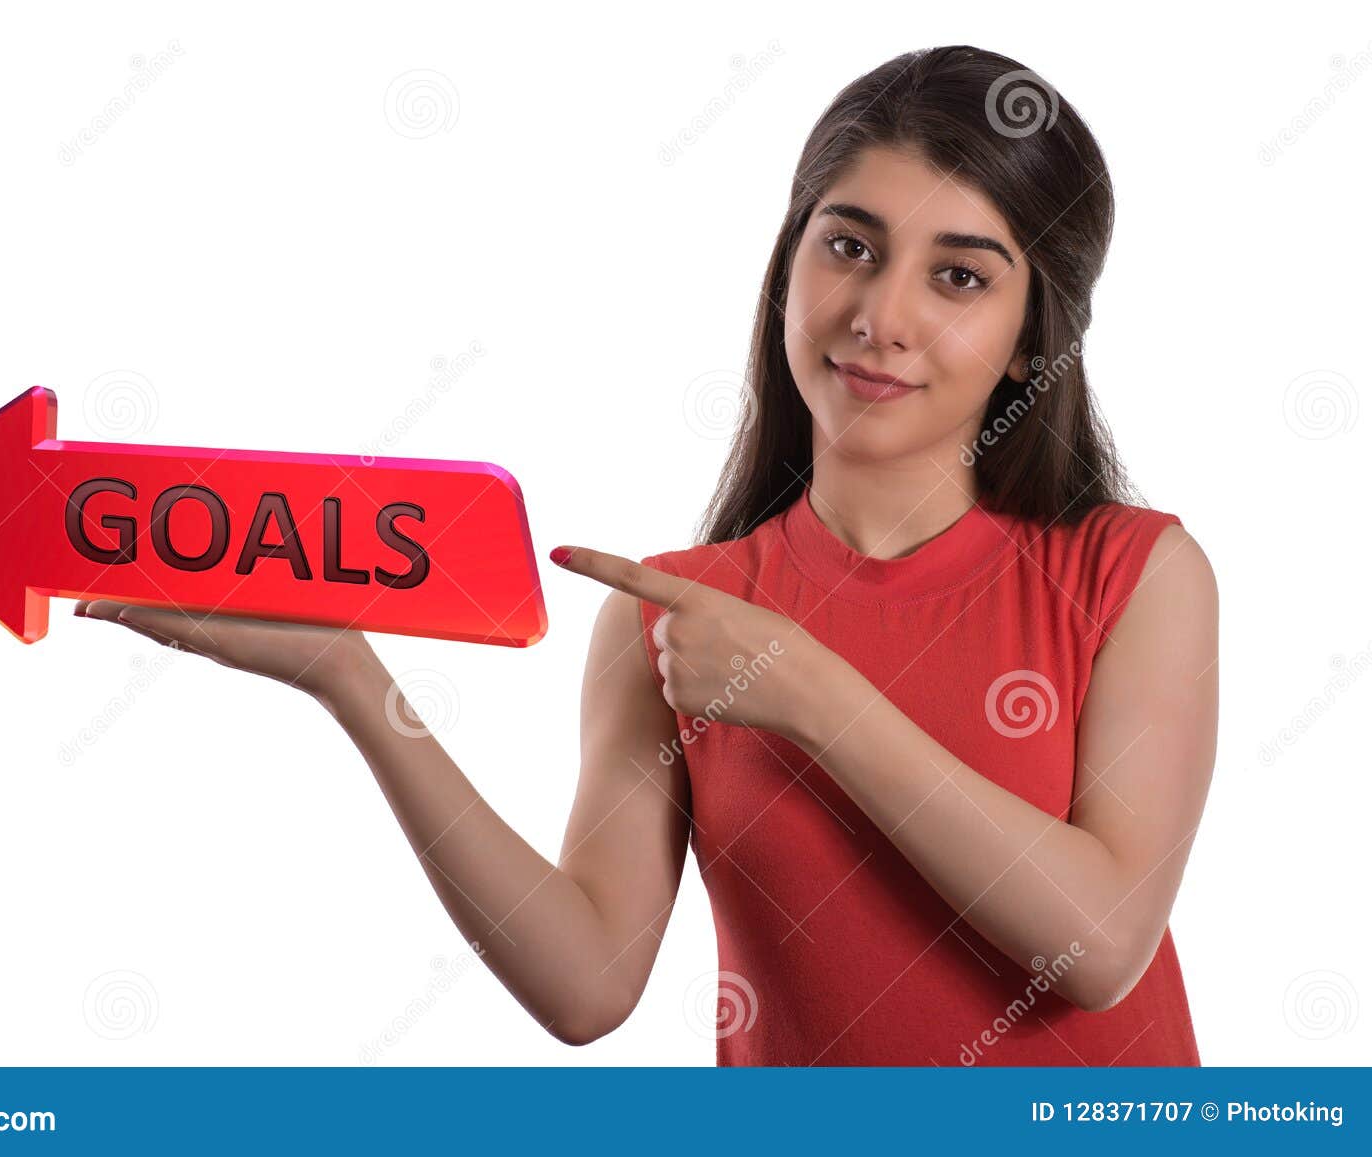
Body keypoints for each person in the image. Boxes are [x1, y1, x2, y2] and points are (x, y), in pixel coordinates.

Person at [75, 45, 1218, 1066]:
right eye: (848, 247)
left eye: (958, 275)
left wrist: (809, 693)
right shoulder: (678, 613)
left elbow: (1101, 942)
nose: (879, 313)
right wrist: (353, 678)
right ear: (788, 267)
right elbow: (587, 983)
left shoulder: (1132, 574)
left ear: (1034, 341)